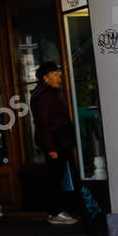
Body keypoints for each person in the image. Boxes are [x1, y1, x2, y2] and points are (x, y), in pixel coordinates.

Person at [31, 61, 83, 227]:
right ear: (46, 78)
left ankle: (60, 209)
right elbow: (43, 123)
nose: (59, 77)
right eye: (55, 74)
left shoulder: (50, 92)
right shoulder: (44, 95)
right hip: (55, 141)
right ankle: (55, 212)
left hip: (60, 140)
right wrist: (51, 147)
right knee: (56, 177)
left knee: (61, 175)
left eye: (59, 73)